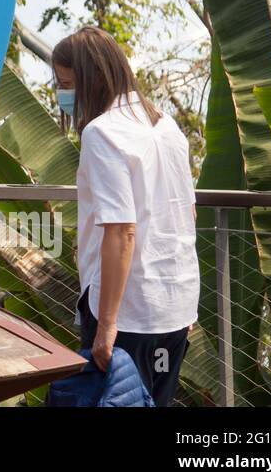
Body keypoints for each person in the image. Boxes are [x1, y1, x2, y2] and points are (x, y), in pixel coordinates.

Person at [52, 26, 199, 407]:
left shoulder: (103, 133)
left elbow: (121, 231)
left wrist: (107, 324)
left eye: (66, 83)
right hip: (174, 305)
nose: (61, 94)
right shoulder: (168, 128)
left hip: (129, 313)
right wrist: (184, 305)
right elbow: (188, 214)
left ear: (90, 80)